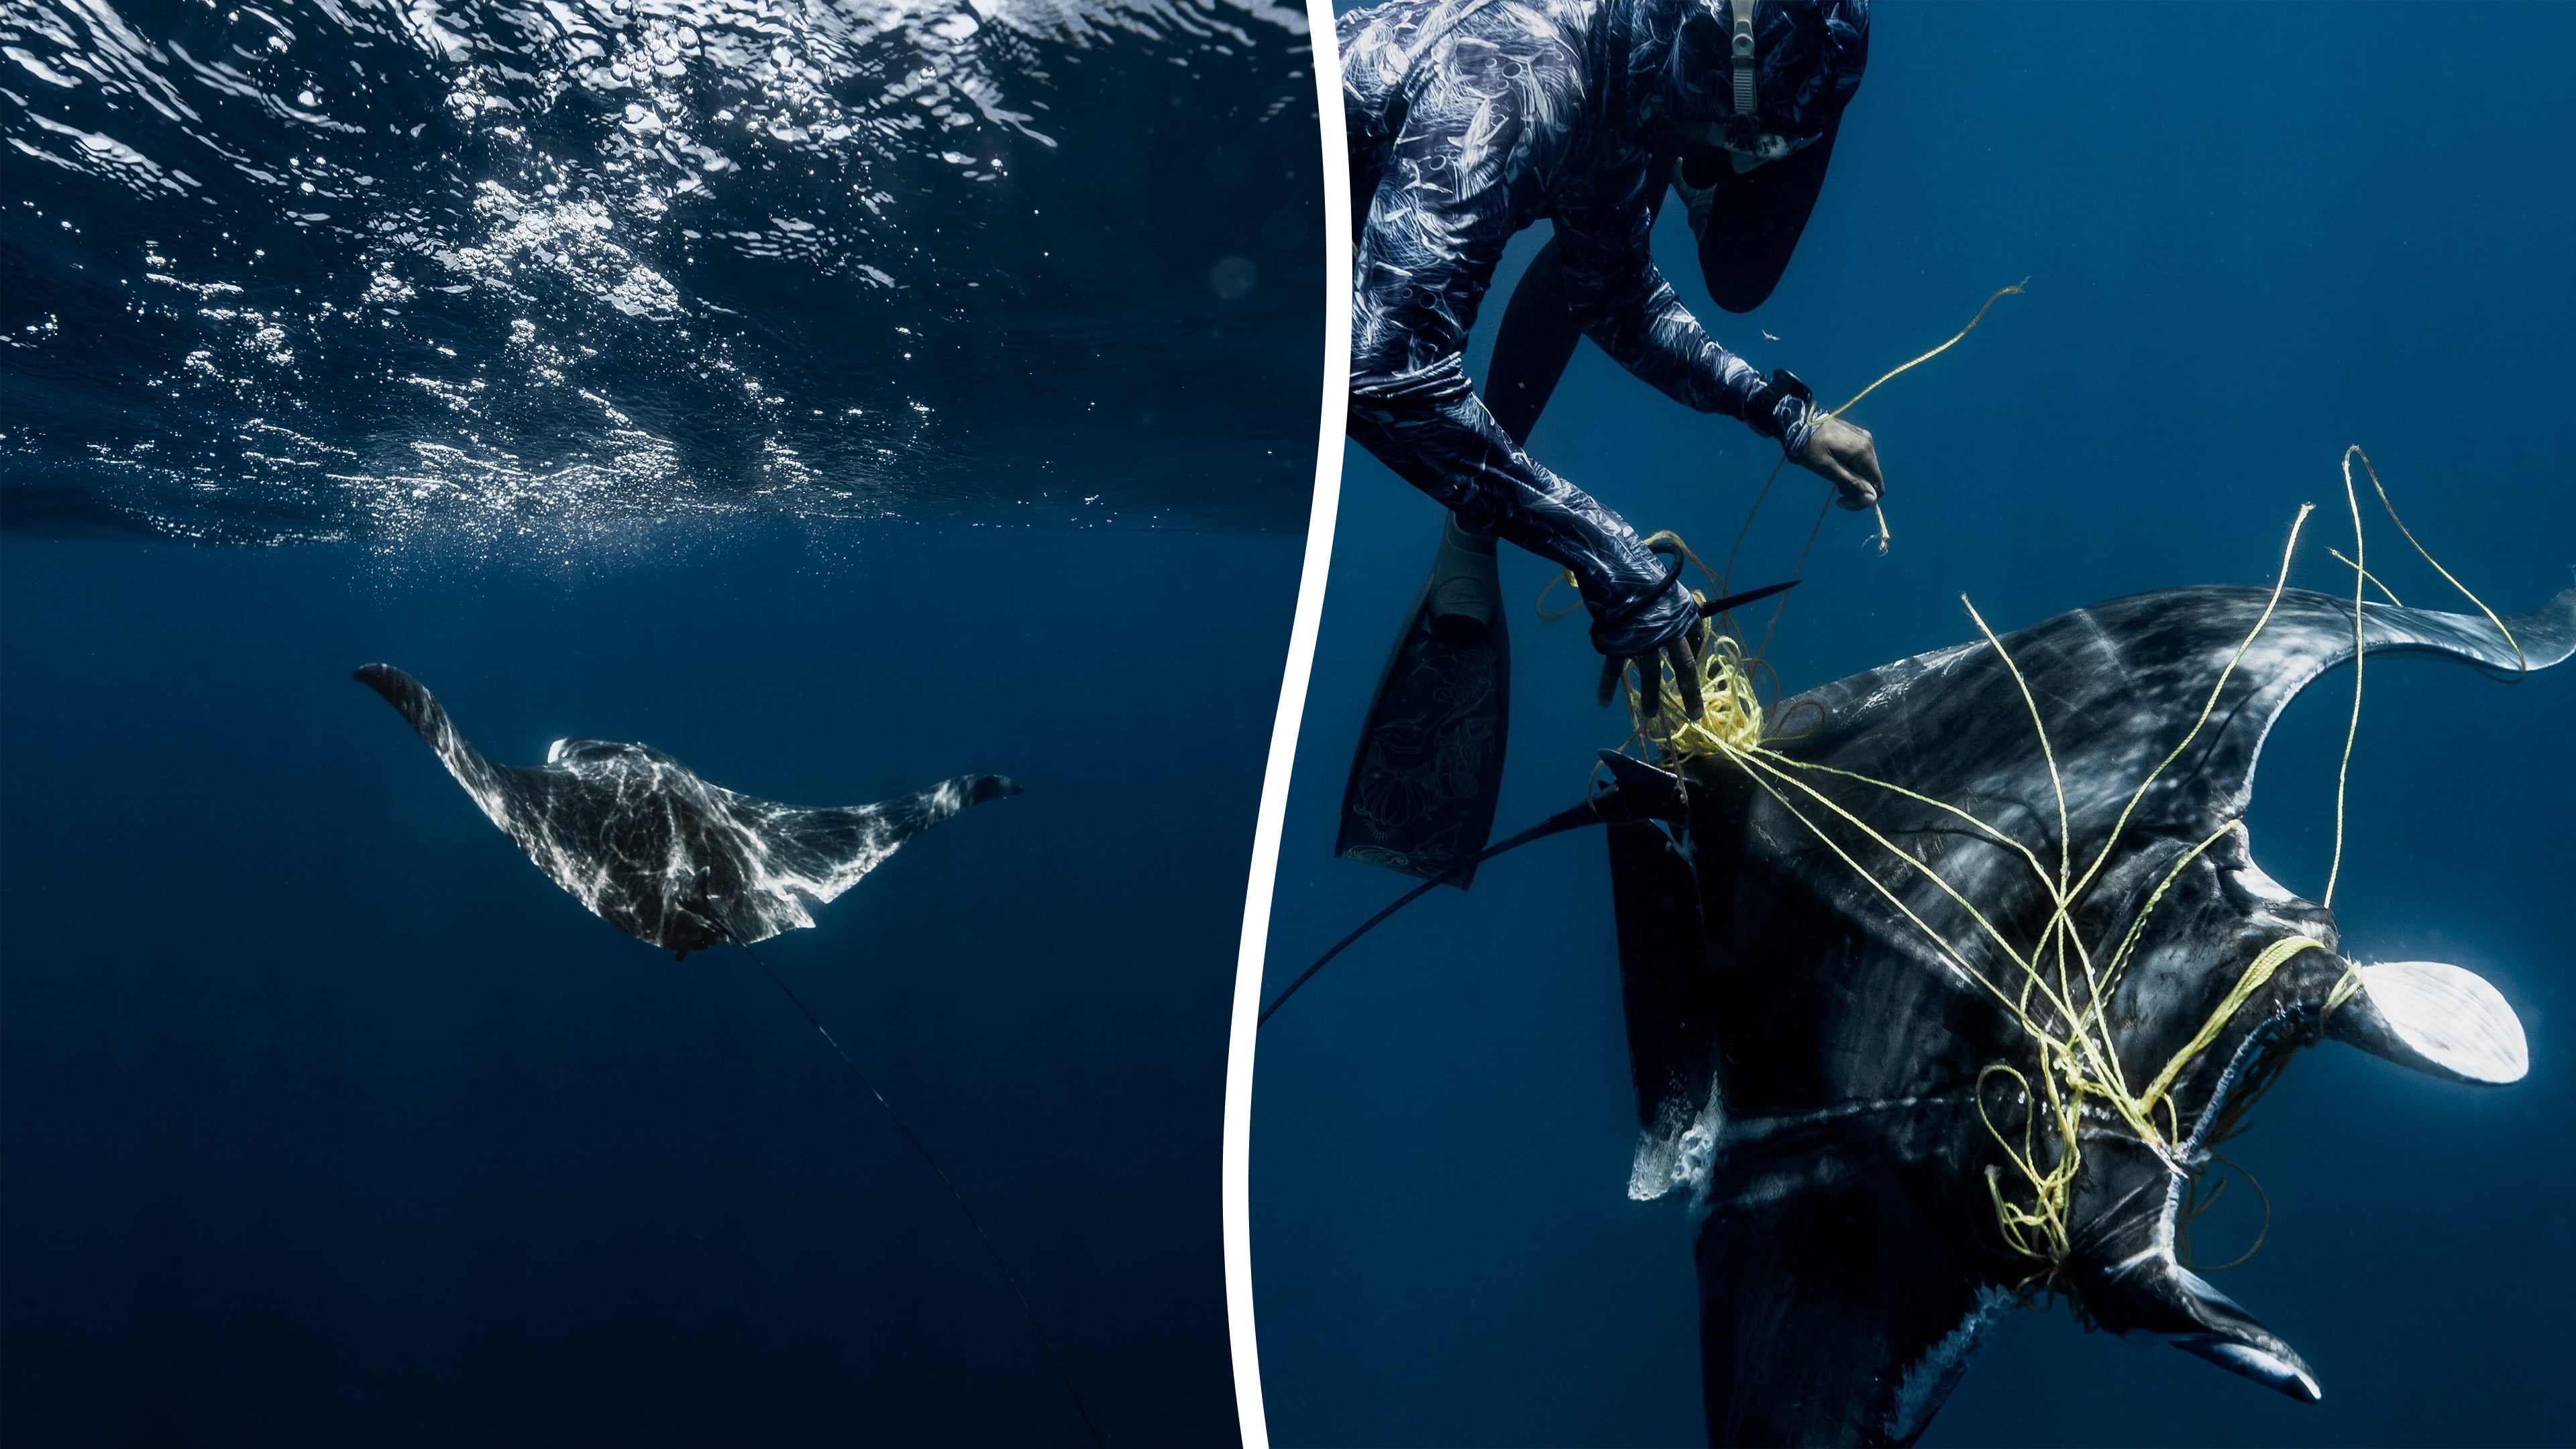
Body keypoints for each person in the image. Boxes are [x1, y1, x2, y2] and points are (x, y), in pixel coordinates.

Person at [1341, 0, 1882, 715]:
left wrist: (1785, 415)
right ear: (1721, 77)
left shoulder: (1612, 79)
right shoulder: (1519, 78)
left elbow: (1619, 301)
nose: (1728, 159)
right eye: (1746, 140)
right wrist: (1602, 550)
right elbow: (1384, 375)